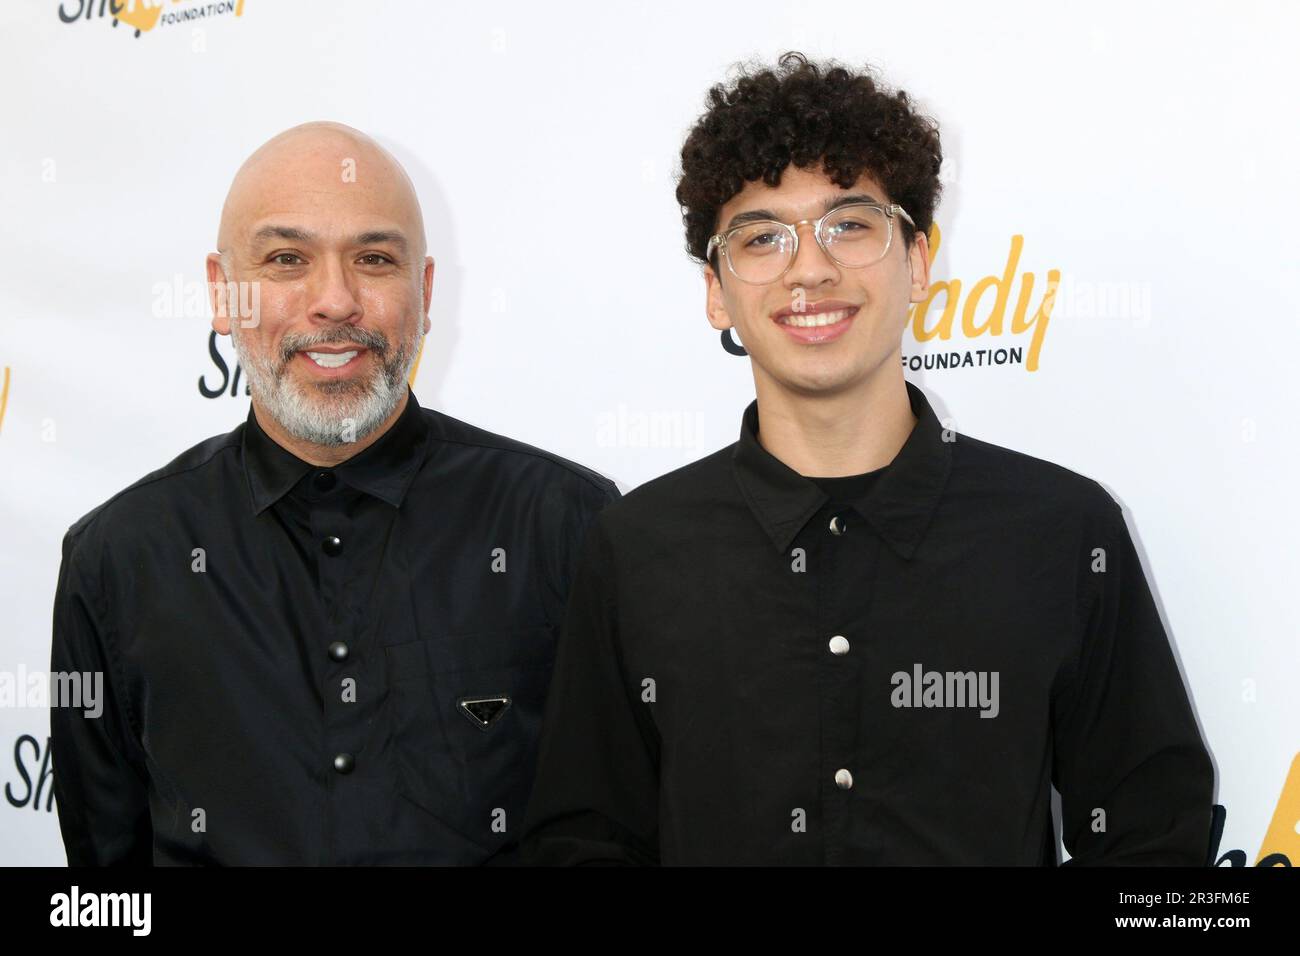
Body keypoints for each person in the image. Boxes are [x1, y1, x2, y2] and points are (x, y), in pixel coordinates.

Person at [521, 54, 1214, 865]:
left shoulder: (1063, 534)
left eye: (850, 224)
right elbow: (583, 841)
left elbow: (1159, 849)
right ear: (717, 290)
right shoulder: (634, 548)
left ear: (919, 261)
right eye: (761, 237)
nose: (809, 269)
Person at [50, 121, 618, 864]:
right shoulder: (117, 559)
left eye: (374, 259)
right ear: (223, 295)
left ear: (423, 291)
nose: (335, 301)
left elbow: (620, 831)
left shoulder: (565, 525)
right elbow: (106, 879)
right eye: (287, 259)